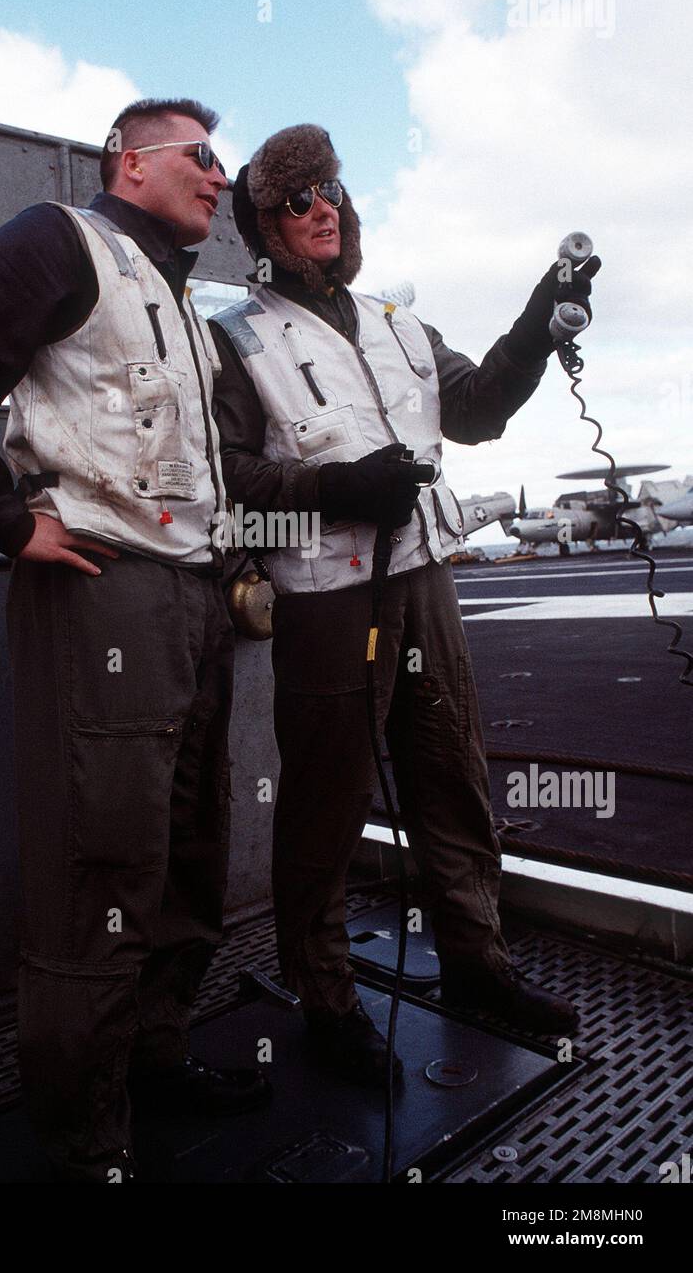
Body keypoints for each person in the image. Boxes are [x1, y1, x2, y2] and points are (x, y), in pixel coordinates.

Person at [0, 97, 270, 1183]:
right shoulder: (62, 240)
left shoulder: (181, 301)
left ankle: (153, 1061)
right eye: (201, 157)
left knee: (188, 850)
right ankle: (84, 1136)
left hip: (193, 599)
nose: (217, 177)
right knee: (99, 865)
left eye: (221, 160)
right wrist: (7, 522)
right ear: (130, 159)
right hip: (104, 591)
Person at [209, 123, 599, 1087]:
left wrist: (537, 322)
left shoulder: (395, 321)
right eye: (296, 200)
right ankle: (328, 1001)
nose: (322, 209)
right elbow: (224, 479)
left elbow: (471, 409)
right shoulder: (238, 340)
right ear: (263, 227)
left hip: (423, 581)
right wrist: (335, 489)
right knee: (327, 807)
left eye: (331, 190)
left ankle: (476, 966)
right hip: (326, 601)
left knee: (452, 777)